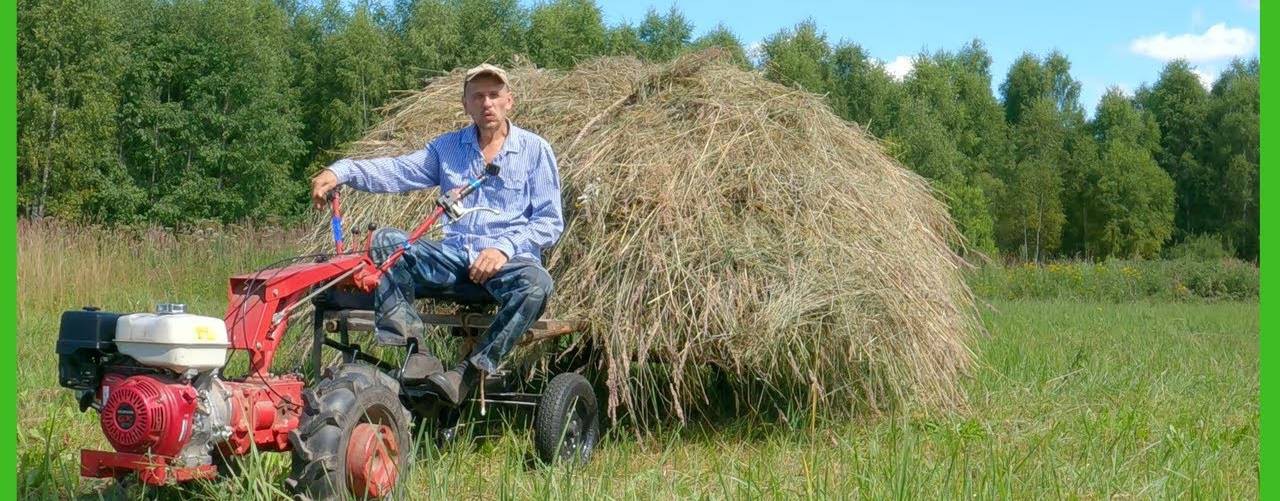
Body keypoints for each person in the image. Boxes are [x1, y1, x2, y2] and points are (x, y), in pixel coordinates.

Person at [309, 64, 564, 405]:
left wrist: (503, 249)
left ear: (509, 101)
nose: (487, 103)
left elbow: (549, 222)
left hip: (508, 265)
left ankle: (468, 373)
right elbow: (398, 171)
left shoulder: (535, 150)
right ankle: (417, 352)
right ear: (465, 104)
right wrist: (341, 171)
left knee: (537, 284)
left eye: (494, 95)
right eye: (478, 96)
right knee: (385, 242)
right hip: (454, 261)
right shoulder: (447, 149)